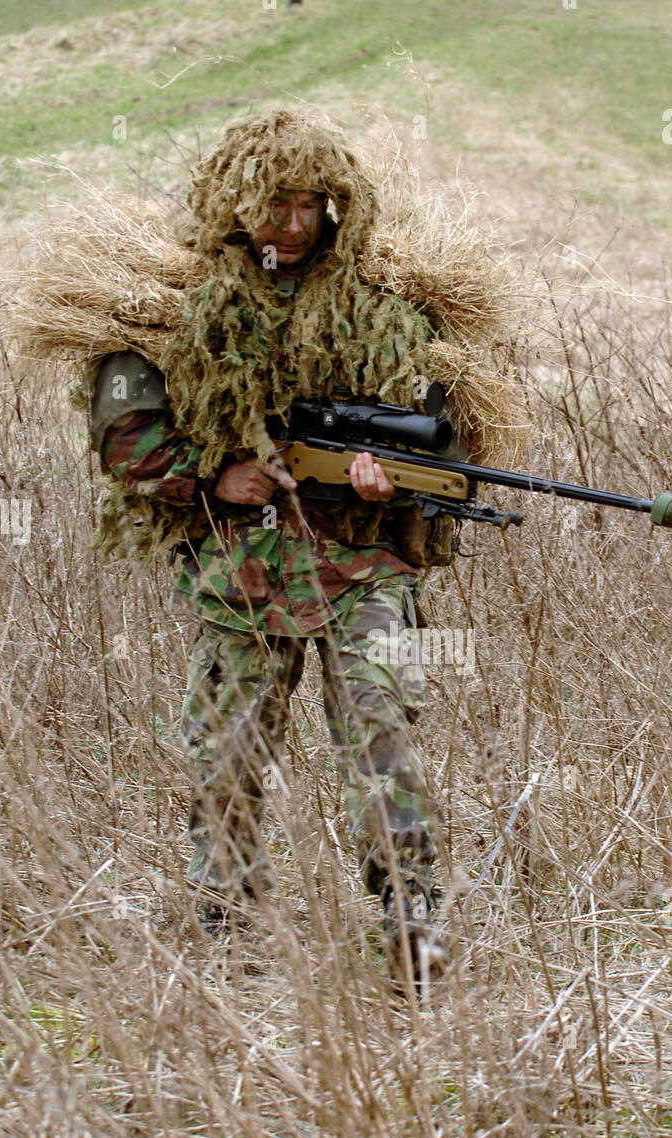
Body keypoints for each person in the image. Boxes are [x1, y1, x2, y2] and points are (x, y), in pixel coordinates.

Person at [87, 110, 456, 991]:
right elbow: (123, 439)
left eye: (307, 206)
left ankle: (413, 922)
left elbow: (440, 427)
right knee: (226, 755)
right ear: (231, 203)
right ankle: (226, 929)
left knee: (381, 737)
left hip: (359, 563)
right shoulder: (169, 303)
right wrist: (212, 478)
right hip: (239, 572)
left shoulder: (384, 308)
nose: (289, 226)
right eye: (270, 205)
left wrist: (388, 480)